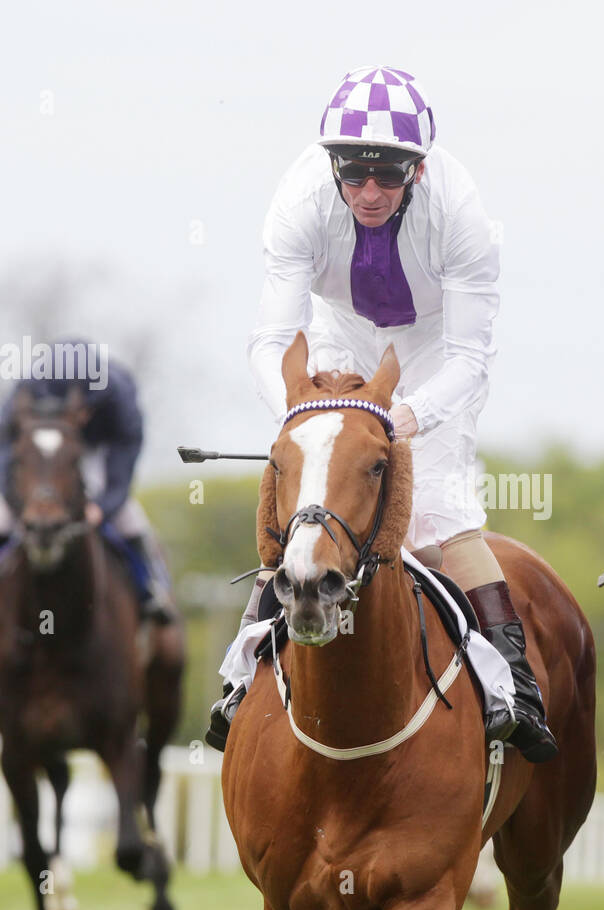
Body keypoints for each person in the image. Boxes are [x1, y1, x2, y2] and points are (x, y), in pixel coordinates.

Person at [210, 65, 556, 762]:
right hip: (341, 330)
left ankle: (511, 684)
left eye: (388, 177)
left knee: (438, 501)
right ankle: (241, 677)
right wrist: (304, 419)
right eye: (354, 174)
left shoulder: (463, 217)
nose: (369, 192)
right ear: (332, 165)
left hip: (433, 347)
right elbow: (271, 339)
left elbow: (469, 356)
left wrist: (406, 417)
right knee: (306, 476)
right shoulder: (301, 199)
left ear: (418, 171)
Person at [0, 345, 176, 626]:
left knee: (130, 518)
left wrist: (104, 507)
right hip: (41, 453)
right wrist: (16, 503)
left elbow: (122, 462)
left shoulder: (120, 398)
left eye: (88, 410)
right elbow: (4, 456)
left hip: (95, 452)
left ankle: (153, 587)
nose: (82, 416)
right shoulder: (28, 390)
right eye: (77, 408)